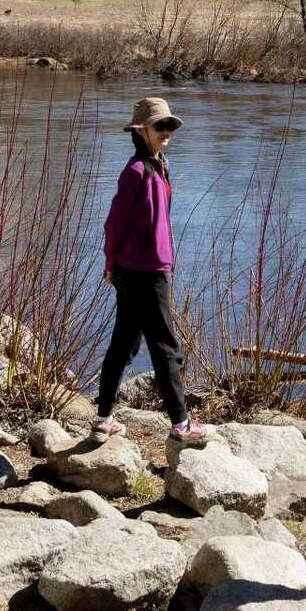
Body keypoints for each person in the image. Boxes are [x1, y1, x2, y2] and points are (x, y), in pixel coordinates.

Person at [93, 96, 210, 444]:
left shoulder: (159, 165)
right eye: (160, 126)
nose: (166, 131)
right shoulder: (135, 172)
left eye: (170, 125)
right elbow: (114, 223)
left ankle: (103, 417)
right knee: (165, 346)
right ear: (141, 130)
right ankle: (181, 425)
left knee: (124, 343)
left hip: (147, 267)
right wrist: (110, 264)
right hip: (142, 271)